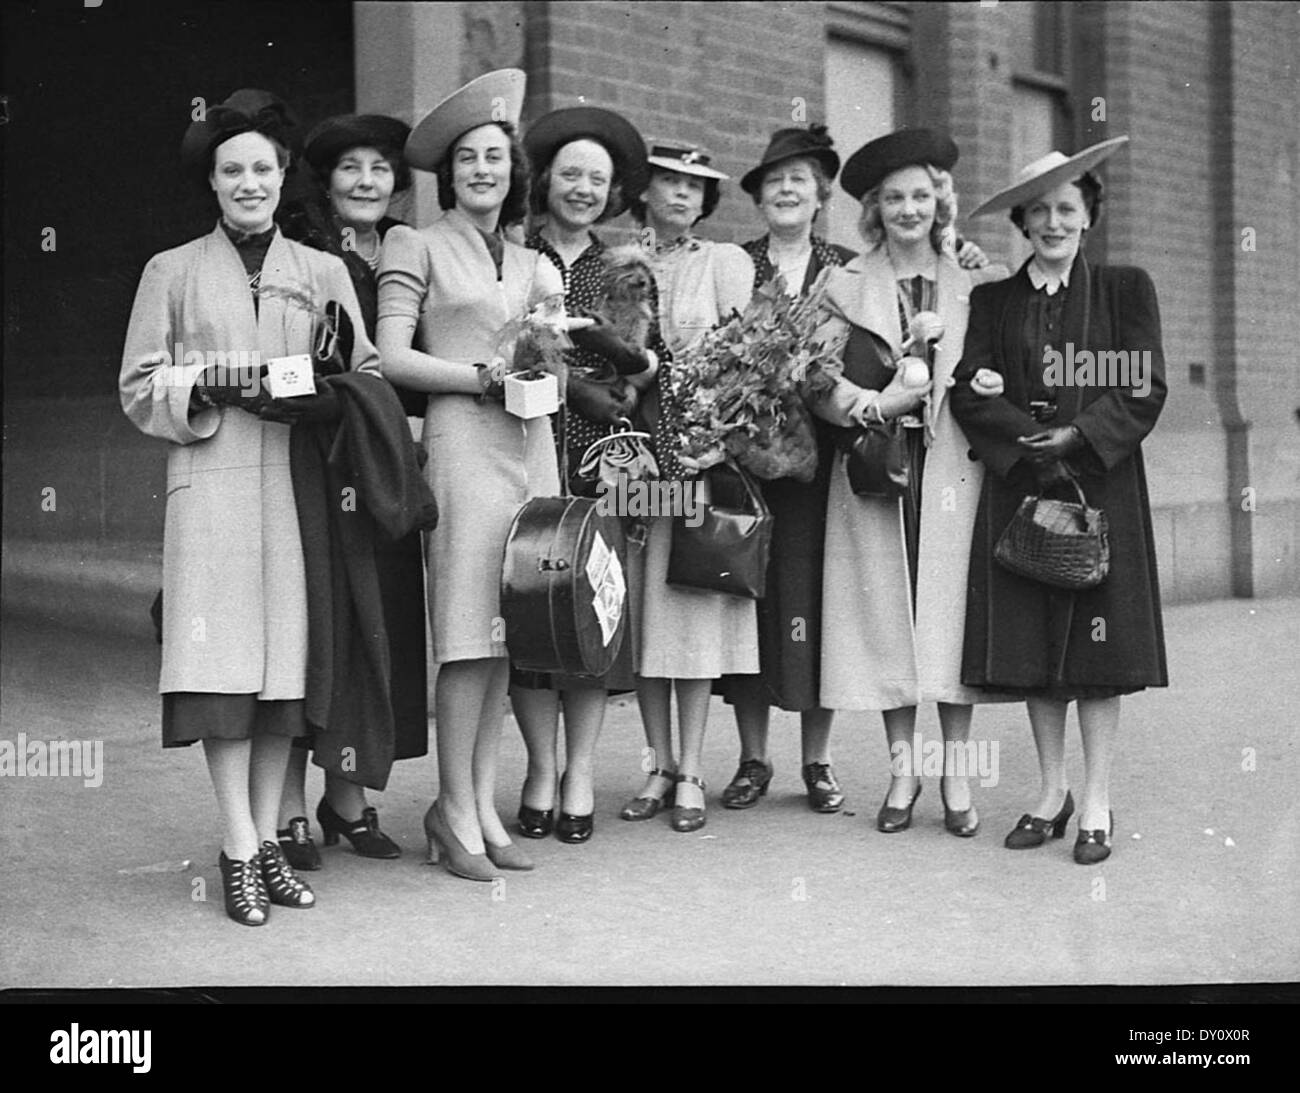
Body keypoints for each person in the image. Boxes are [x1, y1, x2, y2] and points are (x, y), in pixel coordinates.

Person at [120, 89, 379, 924]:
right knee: (223, 674)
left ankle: (268, 838)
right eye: (231, 170)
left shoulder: (324, 272)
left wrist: (329, 400)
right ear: (213, 182)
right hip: (214, 489)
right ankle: (238, 843)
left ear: (282, 176)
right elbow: (137, 384)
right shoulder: (172, 270)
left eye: (262, 167)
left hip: (300, 491)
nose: (248, 182)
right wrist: (215, 383)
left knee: (281, 683)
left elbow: (365, 376)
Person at [951, 136, 1166, 864]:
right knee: (1036, 650)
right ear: (1021, 222)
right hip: (1021, 490)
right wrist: (1022, 436)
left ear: (1088, 215)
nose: (1052, 222)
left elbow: (1141, 386)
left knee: (1097, 655)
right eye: (1038, 210)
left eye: (1066, 208)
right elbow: (967, 389)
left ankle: (1097, 797)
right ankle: (1050, 790)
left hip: (1100, 486)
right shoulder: (993, 301)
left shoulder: (1123, 291)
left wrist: (1077, 434)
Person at [377, 69, 566, 880]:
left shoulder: (535, 262)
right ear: (447, 175)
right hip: (459, 447)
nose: (482, 169)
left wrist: (539, 375)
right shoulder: (412, 244)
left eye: (495, 155)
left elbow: (557, 358)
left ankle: (482, 804)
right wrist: (479, 375)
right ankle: (451, 809)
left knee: (507, 634)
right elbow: (391, 356)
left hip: (531, 446)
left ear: (512, 168)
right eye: (467, 159)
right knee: (464, 636)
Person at [812, 128, 1009, 837]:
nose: (908, 208)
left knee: (951, 619)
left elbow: (1003, 366)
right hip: (878, 467)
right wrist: (876, 404)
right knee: (888, 618)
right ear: (873, 208)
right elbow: (816, 382)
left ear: (941, 202)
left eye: (921, 195)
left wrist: (990, 381)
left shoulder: (976, 282)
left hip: (955, 466)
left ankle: (956, 771)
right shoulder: (842, 283)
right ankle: (903, 768)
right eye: (892, 197)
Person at [275, 113, 426, 868]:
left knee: (379, 620)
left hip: (384, 460)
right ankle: (289, 806)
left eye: (381, 169)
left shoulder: (405, 256)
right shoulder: (300, 252)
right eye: (351, 169)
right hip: (318, 451)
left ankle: (349, 795)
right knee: (319, 618)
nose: (368, 181)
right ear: (327, 182)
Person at [509, 106, 662, 844]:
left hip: (603, 462)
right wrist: (572, 386)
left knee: (592, 614)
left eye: (596, 179)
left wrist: (628, 381)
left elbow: (653, 359)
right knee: (532, 606)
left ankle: (579, 771)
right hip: (529, 447)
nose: (582, 188)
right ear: (544, 180)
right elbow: (502, 345)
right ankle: (540, 767)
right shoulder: (513, 254)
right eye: (570, 173)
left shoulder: (624, 267)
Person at [715, 124, 857, 815]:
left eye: (799, 179)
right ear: (759, 198)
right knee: (753, 598)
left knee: (814, 600)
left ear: (822, 192)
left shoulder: (846, 267)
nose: (786, 190)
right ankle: (752, 756)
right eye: (774, 181)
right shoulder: (737, 265)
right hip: (748, 458)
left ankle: (818, 761)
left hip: (821, 464)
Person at [619, 140, 759, 833]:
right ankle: (658, 761)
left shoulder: (724, 264)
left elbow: (748, 358)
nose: (680, 194)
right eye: (668, 182)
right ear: (645, 190)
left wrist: (713, 437)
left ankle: (696, 766)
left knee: (692, 605)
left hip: (702, 454)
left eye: (694, 186)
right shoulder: (621, 265)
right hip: (638, 455)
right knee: (646, 608)